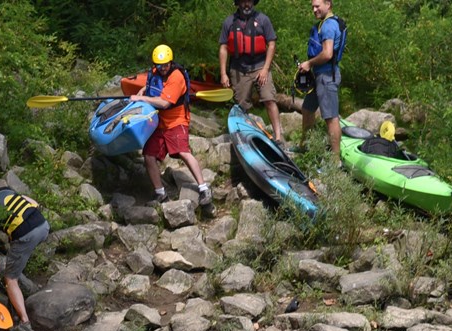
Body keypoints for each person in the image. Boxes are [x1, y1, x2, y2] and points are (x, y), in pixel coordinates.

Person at [123, 45, 212, 205]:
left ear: (171, 62)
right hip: (158, 121)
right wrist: (144, 90)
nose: (163, 68)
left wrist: (141, 99)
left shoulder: (176, 77)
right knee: (149, 156)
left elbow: (164, 103)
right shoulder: (155, 71)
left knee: (183, 152)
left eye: (165, 65)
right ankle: (160, 193)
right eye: (159, 65)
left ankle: (204, 188)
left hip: (176, 120)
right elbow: (152, 86)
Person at [0, 185, 48, 329]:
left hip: (27, 235)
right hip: (43, 224)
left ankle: (24, 321)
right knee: (17, 248)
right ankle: (21, 263)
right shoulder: (3, 189)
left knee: (10, 279)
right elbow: (32, 201)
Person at [219, 0, 283, 144]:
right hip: (238, 69)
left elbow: (271, 44)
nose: (246, 4)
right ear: (238, 3)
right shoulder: (229, 22)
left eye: (249, 1)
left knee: (269, 99)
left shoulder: (263, 20)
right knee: (241, 106)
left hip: (260, 66)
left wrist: (265, 69)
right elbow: (223, 48)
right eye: (243, 1)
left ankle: (278, 137)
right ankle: (244, 137)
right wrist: (223, 73)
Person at [296, 0, 346, 156]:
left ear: (328, 4)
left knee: (331, 117)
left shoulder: (328, 26)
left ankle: (335, 160)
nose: (314, 9)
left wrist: (309, 63)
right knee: (307, 109)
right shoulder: (327, 23)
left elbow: (327, 53)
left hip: (327, 76)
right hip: (319, 76)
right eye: (313, 7)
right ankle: (305, 146)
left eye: (317, 6)